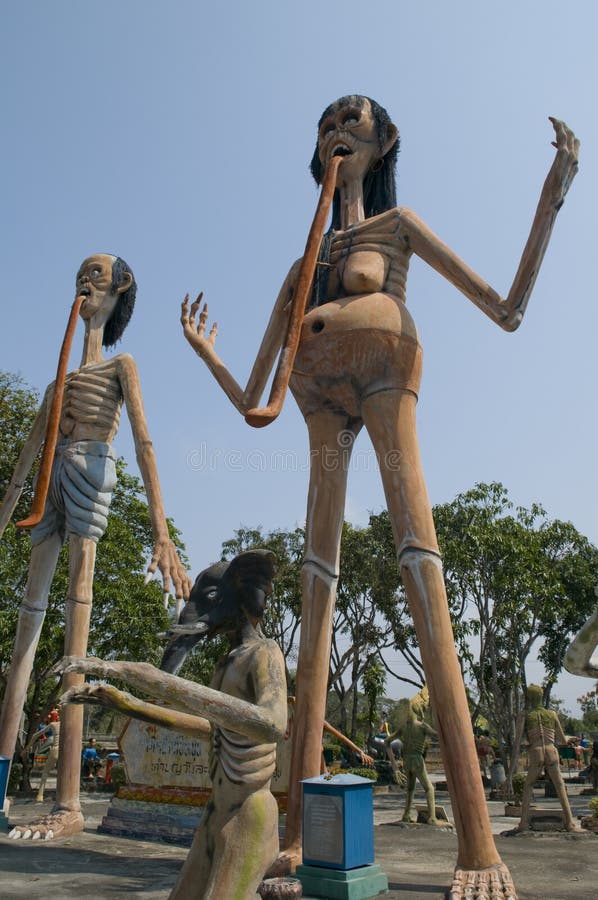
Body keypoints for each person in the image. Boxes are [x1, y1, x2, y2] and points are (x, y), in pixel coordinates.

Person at [180, 95, 578, 895]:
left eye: (350, 127)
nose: (335, 137)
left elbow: (505, 309)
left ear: (381, 141)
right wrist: (207, 355)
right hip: (315, 400)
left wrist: (551, 195)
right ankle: (294, 840)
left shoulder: (396, 230)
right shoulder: (306, 263)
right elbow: (256, 403)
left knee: (417, 558)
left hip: (388, 370)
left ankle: (478, 846)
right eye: (326, 128)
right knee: (316, 587)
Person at [1, 254, 191, 841]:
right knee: (25, 632)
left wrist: (162, 531)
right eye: (80, 272)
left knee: (75, 620)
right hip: (51, 481)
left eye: (97, 273)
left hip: (91, 470)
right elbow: (25, 461)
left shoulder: (120, 367)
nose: (85, 280)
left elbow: (143, 442)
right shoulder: (59, 382)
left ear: (121, 287)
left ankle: (67, 803)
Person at [516, 684, 577, 832]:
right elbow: (562, 740)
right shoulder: (552, 714)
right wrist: (569, 738)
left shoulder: (525, 715)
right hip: (551, 750)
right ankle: (570, 823)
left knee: (528, 786)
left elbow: (518, 739)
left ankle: (523, 823)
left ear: (529, 698)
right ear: (541, 696)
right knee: (560, 785)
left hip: (536, 751)